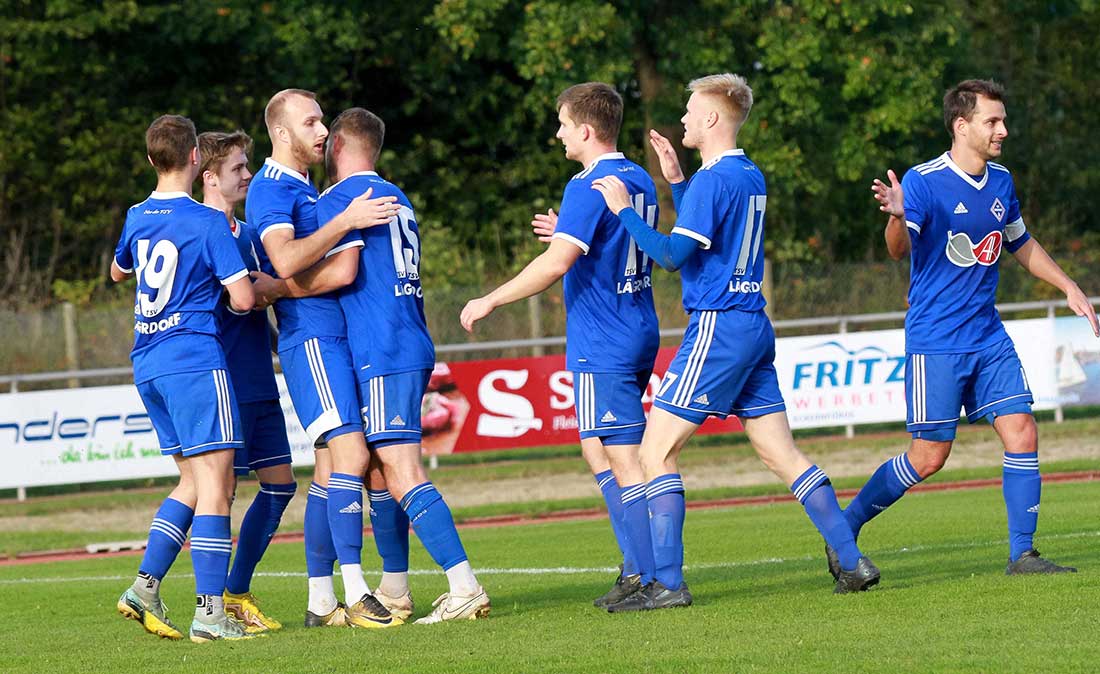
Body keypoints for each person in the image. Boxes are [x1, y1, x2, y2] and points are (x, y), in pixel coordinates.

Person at [591, 73, 877, 610]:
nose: (682, 120)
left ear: (712, 119)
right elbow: (709, 240)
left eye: (690, 111)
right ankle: (852, 560)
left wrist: (623, 210)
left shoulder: (715, 180)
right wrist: (678, 180)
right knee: (781, 454)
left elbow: (675, 256)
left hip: (719, 326)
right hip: (753, 325)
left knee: (655, 451)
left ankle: (668, 584)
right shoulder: (747, 174)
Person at [842, 78, 1099, 577]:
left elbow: (1020, 243)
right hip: (936, 340)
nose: (1002, 129)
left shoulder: (1001, 181)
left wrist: (1066, 285)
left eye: (1001, 120)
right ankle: (844, 529)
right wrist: (897, 216)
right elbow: (899, 250)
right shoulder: (921, 181)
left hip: (988, 336)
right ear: (963, 126)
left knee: (1022, 430)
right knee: (928, 457)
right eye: (992, 121)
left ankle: (1022, 554)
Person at [258, 107, 491, 623]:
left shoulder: (342, 199)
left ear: (338, 145)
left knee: (401, 471)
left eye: (324, 129)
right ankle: (395, 589)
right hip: (407, 338)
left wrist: (269, 287)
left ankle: (464, 583)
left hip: (381, 348)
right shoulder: (397, 195)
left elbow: (335, 269)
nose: (318, 137)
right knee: (381, 473)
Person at [461, 83, 660, 608]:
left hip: (605, 337)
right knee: (597, 449)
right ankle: (637, 568)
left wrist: (490, 299)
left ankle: (651, 576)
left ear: (587, 131)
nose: (559, 133)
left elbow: (555, 266)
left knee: (623, 458)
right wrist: (565, 231)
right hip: (637, 324)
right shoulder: (638, 178)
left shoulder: (587, 183)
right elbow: (616, 242)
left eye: (564, 124)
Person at [245, 89, 402, 629]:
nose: (321, 131)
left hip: (335, 340)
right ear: (282, 133)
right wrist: (346, 221)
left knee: (334, 467)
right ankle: (358, 593)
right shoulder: (271, 190)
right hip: (312, 343)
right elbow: (285, 259)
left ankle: (319, 600)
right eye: (309, 122)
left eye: (322, 121)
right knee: (354, 457)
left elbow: (310, 273)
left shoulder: (303, 186)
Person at [113, 115, 257, 642]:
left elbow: (119, 269)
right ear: (197, 158)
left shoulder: (135, 215)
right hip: (194, 360)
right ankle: (211, 615)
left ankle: (145, 586)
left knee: (193, 484)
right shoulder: (206, 222)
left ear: (152, 160)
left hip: (147, 362)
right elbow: (242, 299)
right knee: (218, 488)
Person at [196, 130, 296, 632]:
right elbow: (239, 299)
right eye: (238, 168)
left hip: (259, 379)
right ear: (209, 177)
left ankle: (235, 592)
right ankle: (207, 602)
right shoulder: (199, 231)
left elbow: (263, 298)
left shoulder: (251, 234)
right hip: (223, 383)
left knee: (281, 486)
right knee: (219, 492)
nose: (248, 175)